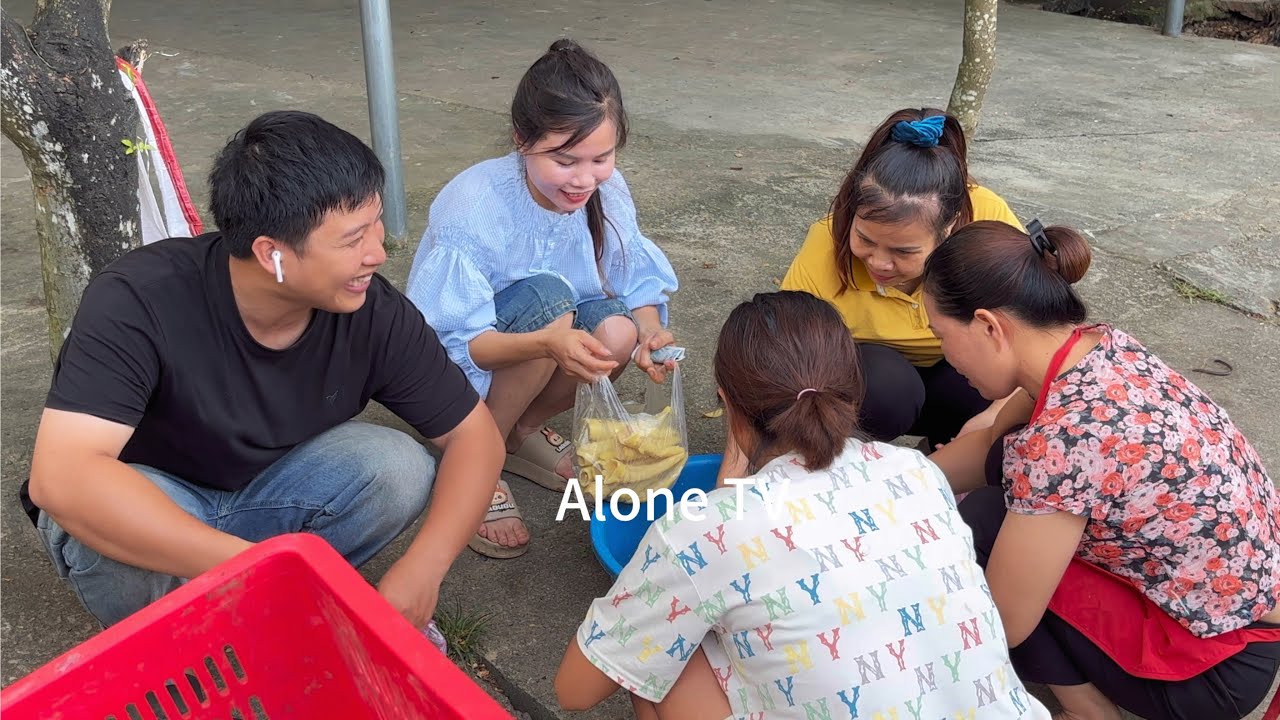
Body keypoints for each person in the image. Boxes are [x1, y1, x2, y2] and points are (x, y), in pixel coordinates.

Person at [21, 110, 504, 631]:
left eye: (376, 224)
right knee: (111, 546)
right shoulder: (138, 299)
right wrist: (257, 566)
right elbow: (63, 478)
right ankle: (216, 618)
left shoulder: (372, 312)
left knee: (397, 465)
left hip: (267, 494)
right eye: (352, 239)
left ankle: (262, 600)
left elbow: (476, 437)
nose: (378, 253)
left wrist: (424, 568)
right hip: (156, 499)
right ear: (271, 253)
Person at [555, 291, 1051, 720]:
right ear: (853, 390)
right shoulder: (916, 471)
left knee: (667, 650)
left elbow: (574, 691)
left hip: (728, 500)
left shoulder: (704, 530)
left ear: (729, 404)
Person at [925, 220, 1280, 720]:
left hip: (1211, 669)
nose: (945, 353)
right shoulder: (1095, 349)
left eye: (941, 334)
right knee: (1005, 467)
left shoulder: (1065, 438)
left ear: (989, 326)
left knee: (985, 520)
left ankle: (1089, 710)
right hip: (1239, 610)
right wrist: (889, 484)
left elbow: (1003, 620)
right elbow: (988, 445)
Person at [405, 39, 679, 559]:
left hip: (536, 334)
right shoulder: (476, 206)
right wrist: (547, 343)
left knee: (616, 331)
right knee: (553, 298)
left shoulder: (607, 189)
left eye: (601, 157)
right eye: (564, 159)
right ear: (521, 140)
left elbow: (634, 282)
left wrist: (649, 331)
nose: (584, 179)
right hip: (457, 369)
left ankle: (518, 434)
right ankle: (475, 455)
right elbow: (449, 344)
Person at [781, 108, 1023, 448]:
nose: (879, 262)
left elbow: (1038, 335)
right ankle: (853, 462)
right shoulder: (825, 241)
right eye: (864, 239)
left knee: (998, 390)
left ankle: (944, 461)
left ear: (950, 228)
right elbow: (782, 351)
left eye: (904, 251)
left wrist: (996, 415)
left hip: (956, 377)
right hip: (870, 384)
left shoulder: (986, 222)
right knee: (886, 385)